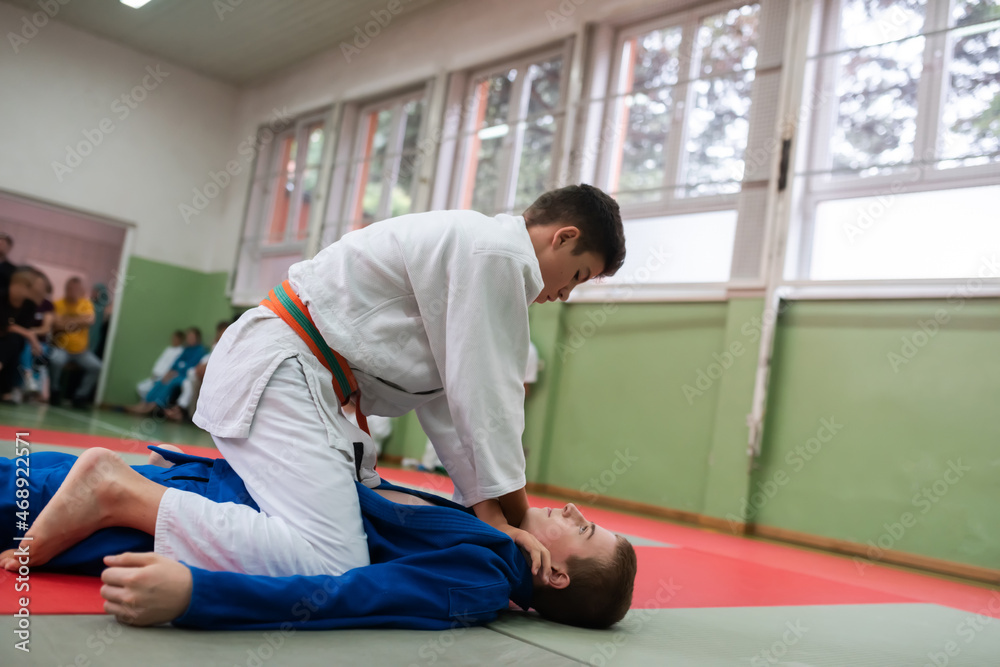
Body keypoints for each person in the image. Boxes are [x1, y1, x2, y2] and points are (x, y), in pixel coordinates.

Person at [172, 184, 624, 586]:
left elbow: (450, 403)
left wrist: (490, 512)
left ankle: (156, 491)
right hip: (282, 368)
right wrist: (520, 509)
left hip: (294, 374)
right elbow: (487, 399)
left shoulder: (479, 248)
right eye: (578, 276)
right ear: (563, 237)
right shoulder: (501, 255)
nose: (565, 294)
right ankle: (132, 497)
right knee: (335, 560)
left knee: (361, 518)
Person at [0, 446, 637, 630]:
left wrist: (199, 594)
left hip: (198, 522)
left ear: (555, 575)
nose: (570, 509)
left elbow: (345, 593)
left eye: (578, 528)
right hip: (225, 487)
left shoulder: (478, 580)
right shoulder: (490, 534)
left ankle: (110, 485)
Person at [420, 340, 541, 472]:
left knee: (488, 442)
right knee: (449, 422)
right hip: (475, 392)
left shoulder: (530, 351)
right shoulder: (490, 341)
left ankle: (487, 474)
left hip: (500, 404)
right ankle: (432, 464)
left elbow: (525, 387)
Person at [48, 277, 103, 408]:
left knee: (96, 366)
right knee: (55, 360)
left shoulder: (86, 304)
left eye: (75, 289)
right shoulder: (58, 304)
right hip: (61, 348)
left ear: (81, 290)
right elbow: (56, 325)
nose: (72, 291)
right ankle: (54, 391)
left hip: (81, 351)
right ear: (66, 289)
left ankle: (80, 396)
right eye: (70, 288)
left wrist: (66, 322)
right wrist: (79, 322)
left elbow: (89, 321)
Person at [127, 327, 206, 416]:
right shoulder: (186, 349)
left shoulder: (200, 350)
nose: (189, 338)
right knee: (161, 381)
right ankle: (145, 403)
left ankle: (154, 405)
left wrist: (177, 371)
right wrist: (170, 371)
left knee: (170, 382)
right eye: (188, 336)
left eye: (191, 336)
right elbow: (177, 362)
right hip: (176, 373)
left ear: (197, 338)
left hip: (184, 376)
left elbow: (191, 365)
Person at [164, 321, 229, 423]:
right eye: (220, 331)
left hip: (214, 373)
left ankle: (180, 409)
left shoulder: (227, 345)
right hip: (200, 372)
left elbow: (216, 362)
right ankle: (180, 410)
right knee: (188, 380)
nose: (222, 334)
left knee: (190, 379)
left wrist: (202, 368)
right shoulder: (214, 344)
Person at [0, 267, 47, 400]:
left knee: (14, 342)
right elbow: (4, 325)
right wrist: (31, 336)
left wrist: (28, 335)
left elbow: (21, 328)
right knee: (12, 344)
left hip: (11, 341)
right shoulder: (2, 298)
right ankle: (6, 391)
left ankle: (7, 389)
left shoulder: (29, 306)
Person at [18, 274, 55, 401]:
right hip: (24, 340)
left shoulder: (48, 305)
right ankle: (27, 380)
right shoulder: (25, 303)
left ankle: (35, 388)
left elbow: (46, 328)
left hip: (41, 342)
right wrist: (29, 335)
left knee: (40, 353)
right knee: (25, 348)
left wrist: (31, 332)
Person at [136, 330, 185, 399]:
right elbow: (161, 361)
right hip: (155, 375)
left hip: (163, 377)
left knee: (151, 394)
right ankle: (145, 405)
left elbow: (171, 366)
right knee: (141, 388)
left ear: (180, 340)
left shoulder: (180, 351)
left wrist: (161, 375)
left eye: (176, 338)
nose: (173, 340)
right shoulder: (169, 349)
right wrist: (155, 372)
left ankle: (147, 407)